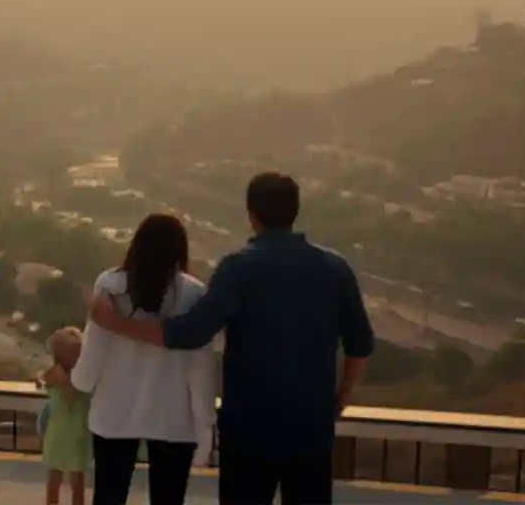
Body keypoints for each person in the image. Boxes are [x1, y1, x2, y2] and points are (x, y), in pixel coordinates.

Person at [90, 173, 375, 505]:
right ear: (295, 210)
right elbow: (361, 344)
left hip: (249, 429)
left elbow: (189, 332)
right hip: (310, 426)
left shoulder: (239, 269)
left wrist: (113, 322)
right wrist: (338, 400)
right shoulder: (335, 269)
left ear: (252, 214)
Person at [53, 214, 216, 505]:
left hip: (114, 414)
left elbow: (90, 364)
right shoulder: (194, 293)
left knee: (108, 496)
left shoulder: (111, 285)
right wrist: (205, 429)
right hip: (173, 419)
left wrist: (75, 379)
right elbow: (200, 370)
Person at [41, 326, 91, 505]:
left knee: (76, 483)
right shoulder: (57, 374)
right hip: (64, 433)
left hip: (76, 433)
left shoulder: (79, 375)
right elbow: (71, 393)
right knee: (56, 481)